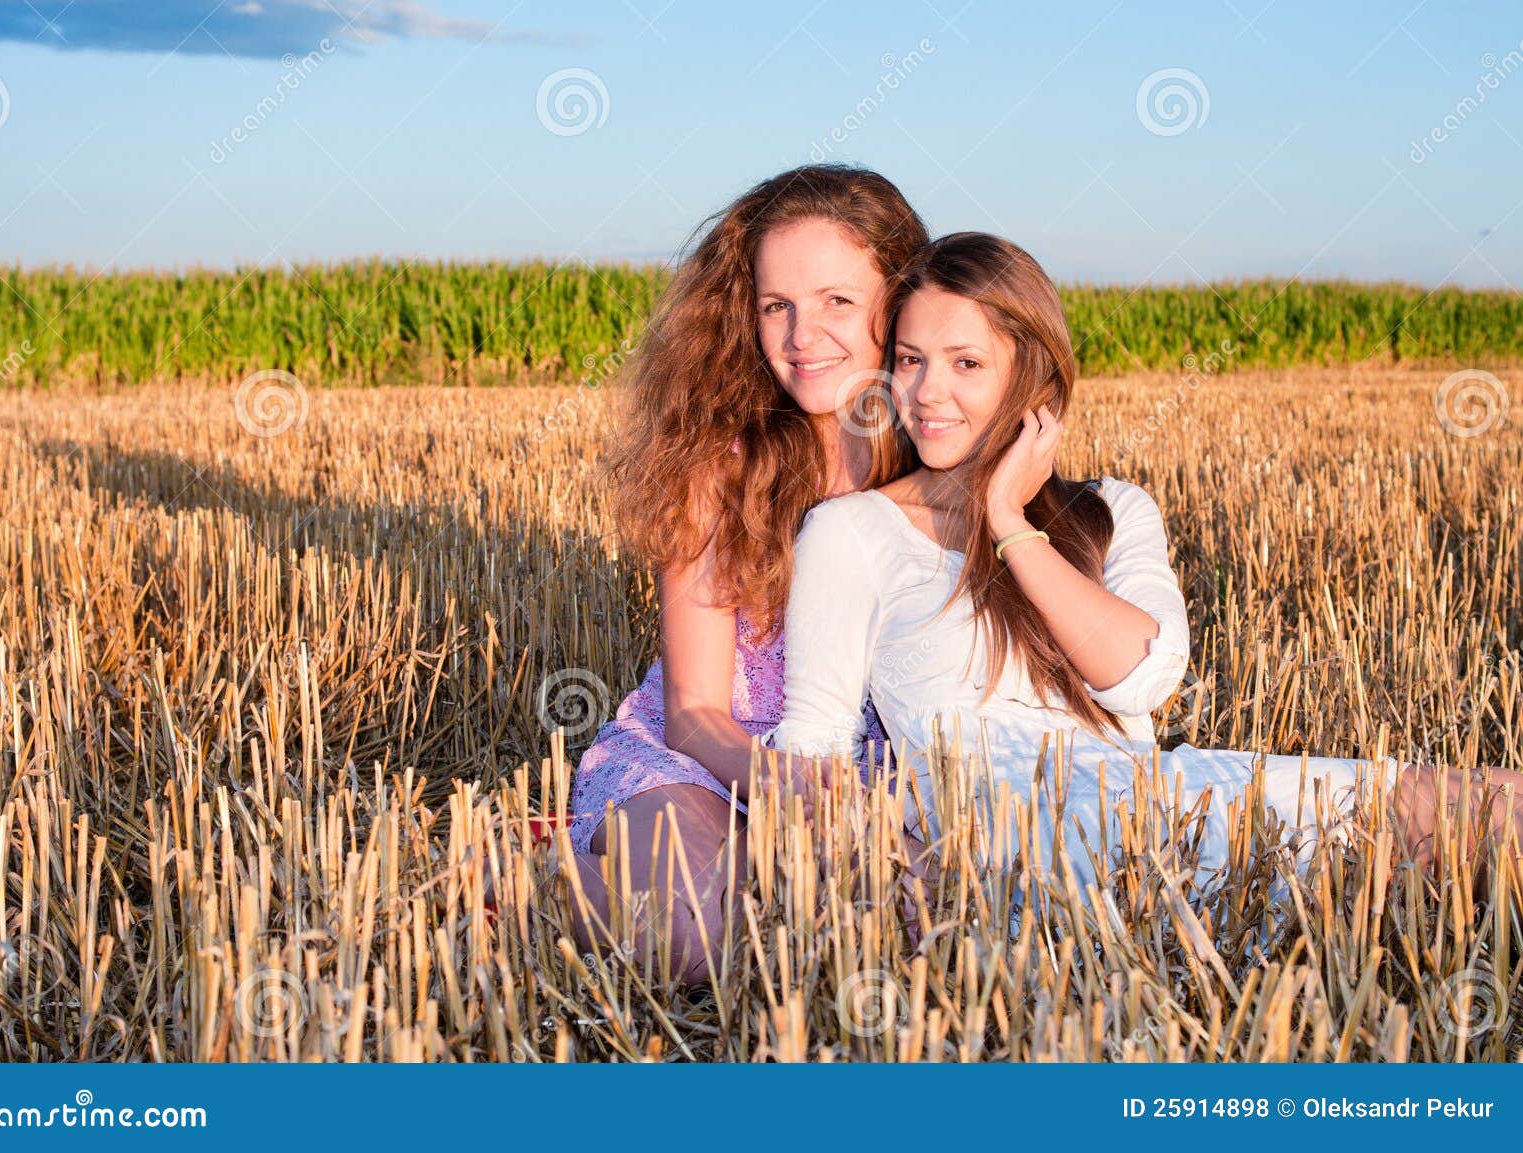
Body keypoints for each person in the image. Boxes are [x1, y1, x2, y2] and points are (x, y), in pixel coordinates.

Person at [768, 231, 1523, 895]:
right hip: (1009, 856)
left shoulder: (1111, 512)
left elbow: (1142, 680)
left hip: (1149, 804)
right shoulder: (850, 531)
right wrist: (897, 869)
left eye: (967, 362)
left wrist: (1007, 521)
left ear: (1031, 378)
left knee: (1485, 802)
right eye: (910, 360)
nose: (929, 391)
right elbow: (814, 747)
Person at [562, 165, 929, 980]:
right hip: (708, 762)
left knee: (924, 928)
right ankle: (529, 883)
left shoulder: (940, 457)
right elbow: (694, 711)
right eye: (776, 306)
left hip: (872, 782)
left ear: (901, 300)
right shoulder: (717, 465)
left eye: (837, 301)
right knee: (700, 934)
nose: (802, 334)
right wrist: (787, 788)